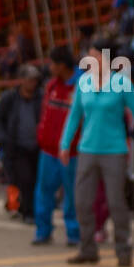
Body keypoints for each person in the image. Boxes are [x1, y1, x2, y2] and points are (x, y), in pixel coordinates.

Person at [60, 36, 134, 267]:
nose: (89, 60)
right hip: (87, 149)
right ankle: (87, 248)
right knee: (82, 201)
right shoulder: (83, 83)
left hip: (114, 151)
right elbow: (74, 117)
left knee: (116, 202)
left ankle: (123, 249)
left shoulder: (121, 84)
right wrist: (65, 144)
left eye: (94, 55)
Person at [31, 46, 81, 246]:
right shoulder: (51, 86)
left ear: (61, 66)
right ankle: (43, 231)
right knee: (44, 192)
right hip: (49, 151)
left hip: (71, 152)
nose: (49, 67)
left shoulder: (82, 85)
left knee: (72, 194)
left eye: (52, 63)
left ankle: (74, 234)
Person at [0, 64, 42, 223]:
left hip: (37, 146)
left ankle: (29, 208)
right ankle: (28, 212)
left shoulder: (41, 98)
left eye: (34, 80)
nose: (32, 84)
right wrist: (3, 139)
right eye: (29, 80)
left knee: (35, 180)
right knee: (24, 179)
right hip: (17, 146)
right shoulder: (10, 98)